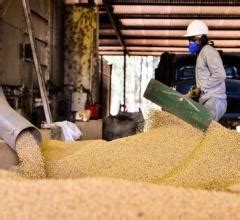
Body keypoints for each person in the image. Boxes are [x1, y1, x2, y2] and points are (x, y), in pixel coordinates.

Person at [184, 20, 227, 121]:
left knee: (201, 124)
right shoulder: (201, 53)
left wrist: (201, 88)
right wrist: (196, 91)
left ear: (202, 39)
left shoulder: (208, 51)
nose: (190, 43)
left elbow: (220, 74)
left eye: (193, 39)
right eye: (189, 39)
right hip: (207, 100)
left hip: (215, 100)